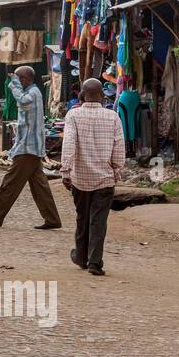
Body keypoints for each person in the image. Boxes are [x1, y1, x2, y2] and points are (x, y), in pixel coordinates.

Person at [0, 66, 62, 231]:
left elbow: (22, 101)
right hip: (31, 147)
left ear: (25, 79)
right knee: (40, 187)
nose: (15, 81)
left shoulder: (33, 93)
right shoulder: (33, 92)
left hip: (28, 148)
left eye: (18, 78)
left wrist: (13, 83)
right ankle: (52, 219)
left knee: (10, 183)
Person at [60, 78, 123, 276]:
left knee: (82, 217)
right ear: (102, 96)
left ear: (81, 95)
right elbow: (119, 146)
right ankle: (95, 262)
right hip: (104, 179)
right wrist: (116, 168)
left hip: (80, 177)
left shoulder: (74, 115)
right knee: (99, 221)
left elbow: (68, 143)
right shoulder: (112, 116)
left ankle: (81, 256)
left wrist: (66, 171)